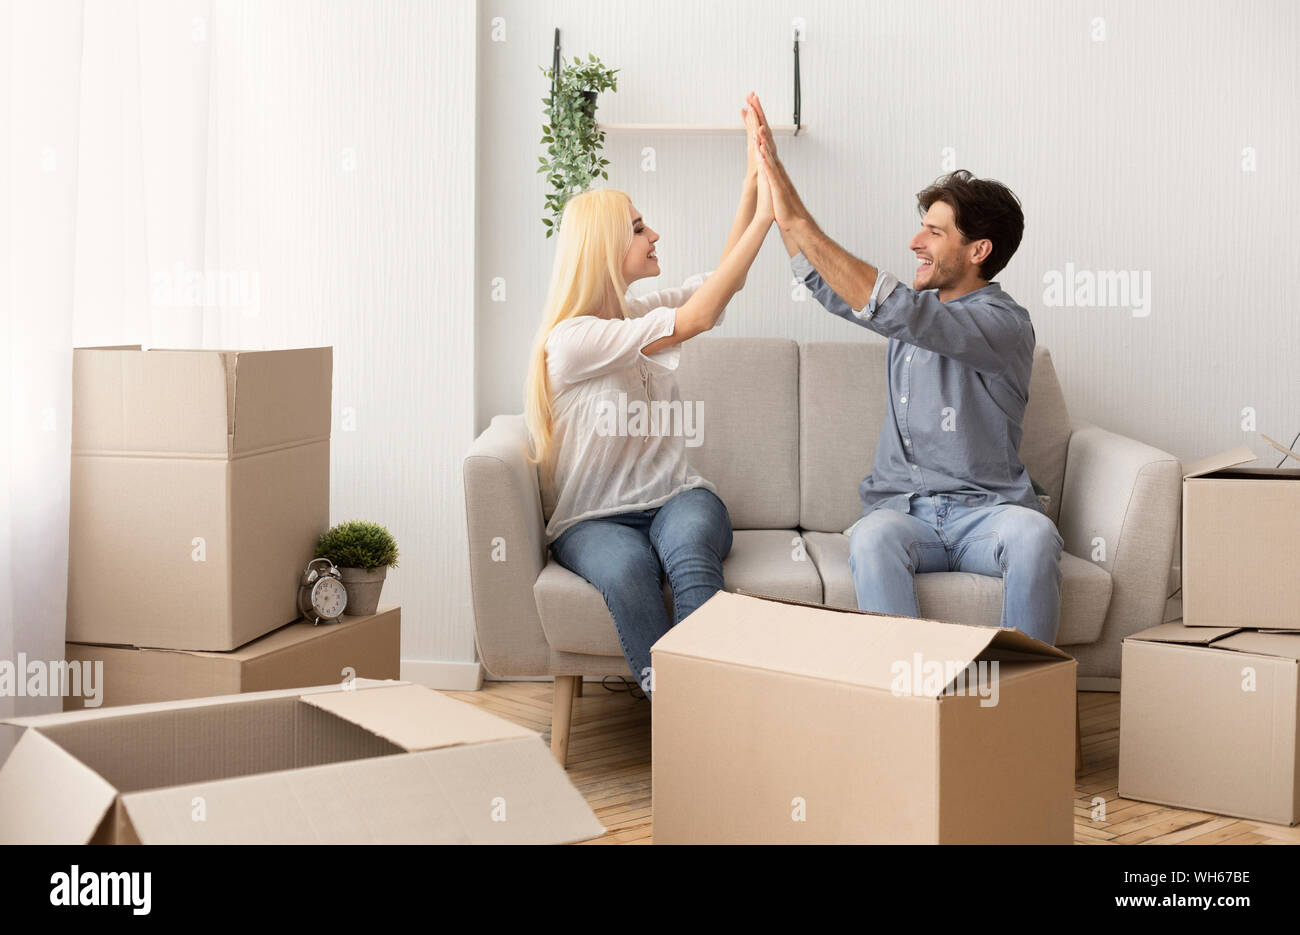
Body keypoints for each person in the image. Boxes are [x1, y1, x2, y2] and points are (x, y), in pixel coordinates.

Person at [747, 93, 1064, 645]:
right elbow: (825, 280)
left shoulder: (1002, 324)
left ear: (978, 250)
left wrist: (795, 209)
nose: (915, 242)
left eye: (934, 233)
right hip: (903, 514)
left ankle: (1026, 703)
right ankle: (909, 700)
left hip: (985, 514)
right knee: (870, 540)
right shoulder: (915, 316)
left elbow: (899, 310)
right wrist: (775, 180)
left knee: (1035, 536)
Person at [523, 102, 778, 694]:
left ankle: (699, 717)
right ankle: (678, 713)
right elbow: (700, 315)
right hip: (593, 521)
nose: (654, 232)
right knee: (631, 569)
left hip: (677, 498)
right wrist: (768, 217)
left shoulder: (634, 311)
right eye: (638, 227)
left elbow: (720, 283)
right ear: (605, 247)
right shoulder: (573, 340)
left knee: (690, 549)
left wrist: (750, 181)